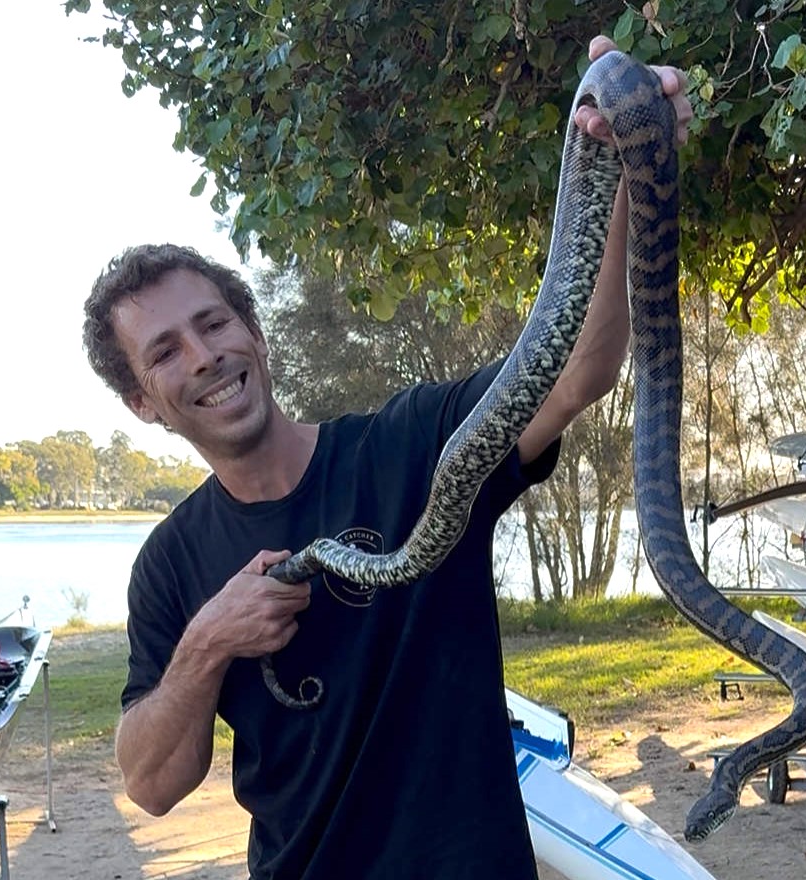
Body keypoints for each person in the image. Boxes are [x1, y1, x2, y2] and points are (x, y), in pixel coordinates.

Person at [82, 36, 692, 880]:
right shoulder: (172, 566)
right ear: (142, 403)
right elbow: (153, 785)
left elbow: (580, 367)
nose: (204, 356)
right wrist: (208, 643)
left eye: (215, 324)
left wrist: (624, 163)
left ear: (255, 333)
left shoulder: (412, 443)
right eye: (165, 352)